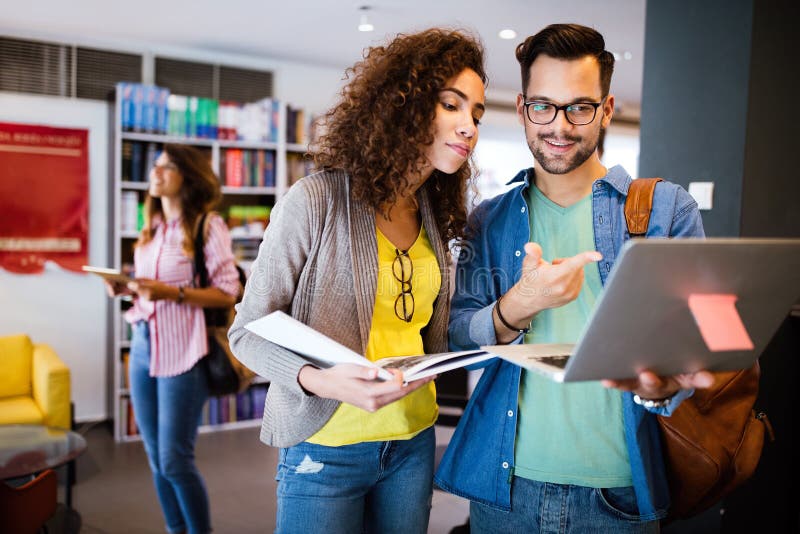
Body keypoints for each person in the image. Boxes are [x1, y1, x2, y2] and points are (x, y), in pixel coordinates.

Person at [434, 23, 714, 533]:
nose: (558, 126)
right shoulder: (489, 220)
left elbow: (693, 344)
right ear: (522, 110)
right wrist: (515, 307)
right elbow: (454, 333)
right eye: (543, 106)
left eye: (579, 107)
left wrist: (663, 382)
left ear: (606, 110)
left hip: (620, 492)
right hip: (505, 489)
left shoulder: (665, 210)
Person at [227, 28, 486, 534]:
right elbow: (246, 330)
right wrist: (320, 380)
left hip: (412, 443)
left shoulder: (433, 213)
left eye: (476, 112)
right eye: (451, 105)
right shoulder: (316, 200)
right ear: (403, 105)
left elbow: (423, 331)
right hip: (325, 448)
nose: (468, 126)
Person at [106, 144, 241, 534]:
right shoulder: (152, 229)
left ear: (188, 175)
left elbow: (228, 291)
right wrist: (127, 288)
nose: (156, 171)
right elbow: (149, 286)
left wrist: (173, 294)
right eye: (157, 165)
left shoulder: (206, 226)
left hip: (186, 349)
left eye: (167, 166)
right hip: (145, 344)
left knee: (174, 459)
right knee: (155, 457)